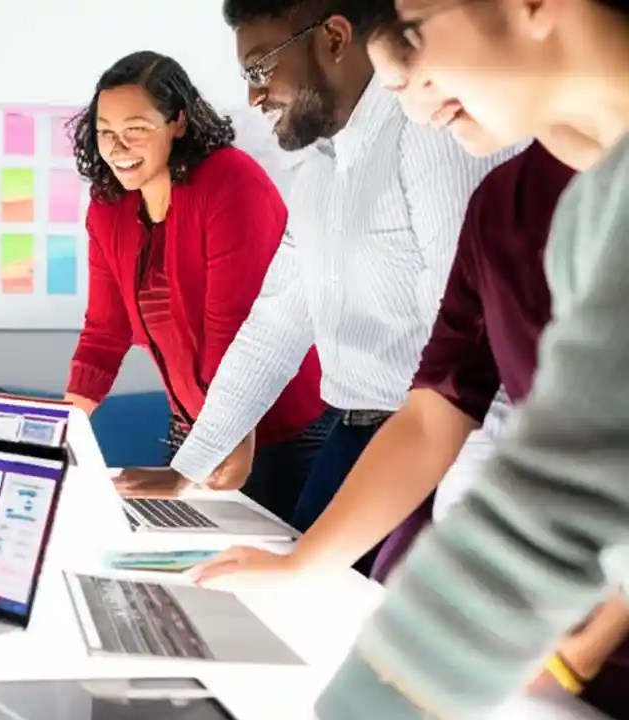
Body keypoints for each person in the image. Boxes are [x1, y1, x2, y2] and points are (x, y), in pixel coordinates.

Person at [193, 8, 629, 717]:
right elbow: (438, 408)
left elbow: (569, 484)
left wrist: (384, 697)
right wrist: (301, 566)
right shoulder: (530, 203)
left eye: (418, 33)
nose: (416, 101)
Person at [114, 0, 512, 559]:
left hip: (436, 446)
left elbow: (478, 355)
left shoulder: (434, 132)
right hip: (353, 437)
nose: (254, 96)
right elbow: (274, 325)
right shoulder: (319, 170)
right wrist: (189, 466)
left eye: (260, 68)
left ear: (333, 38)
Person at [64, 51, 329, 524]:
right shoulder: (107, 209)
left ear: (178, 123)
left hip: (279, 431)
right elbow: (104, 334)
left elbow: (236, 327)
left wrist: (231, 437)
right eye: (105, 132)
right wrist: (59, 431)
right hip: (193, 428)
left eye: (136, 129)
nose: (118, 146)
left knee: (274, 579)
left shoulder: (230, 181)